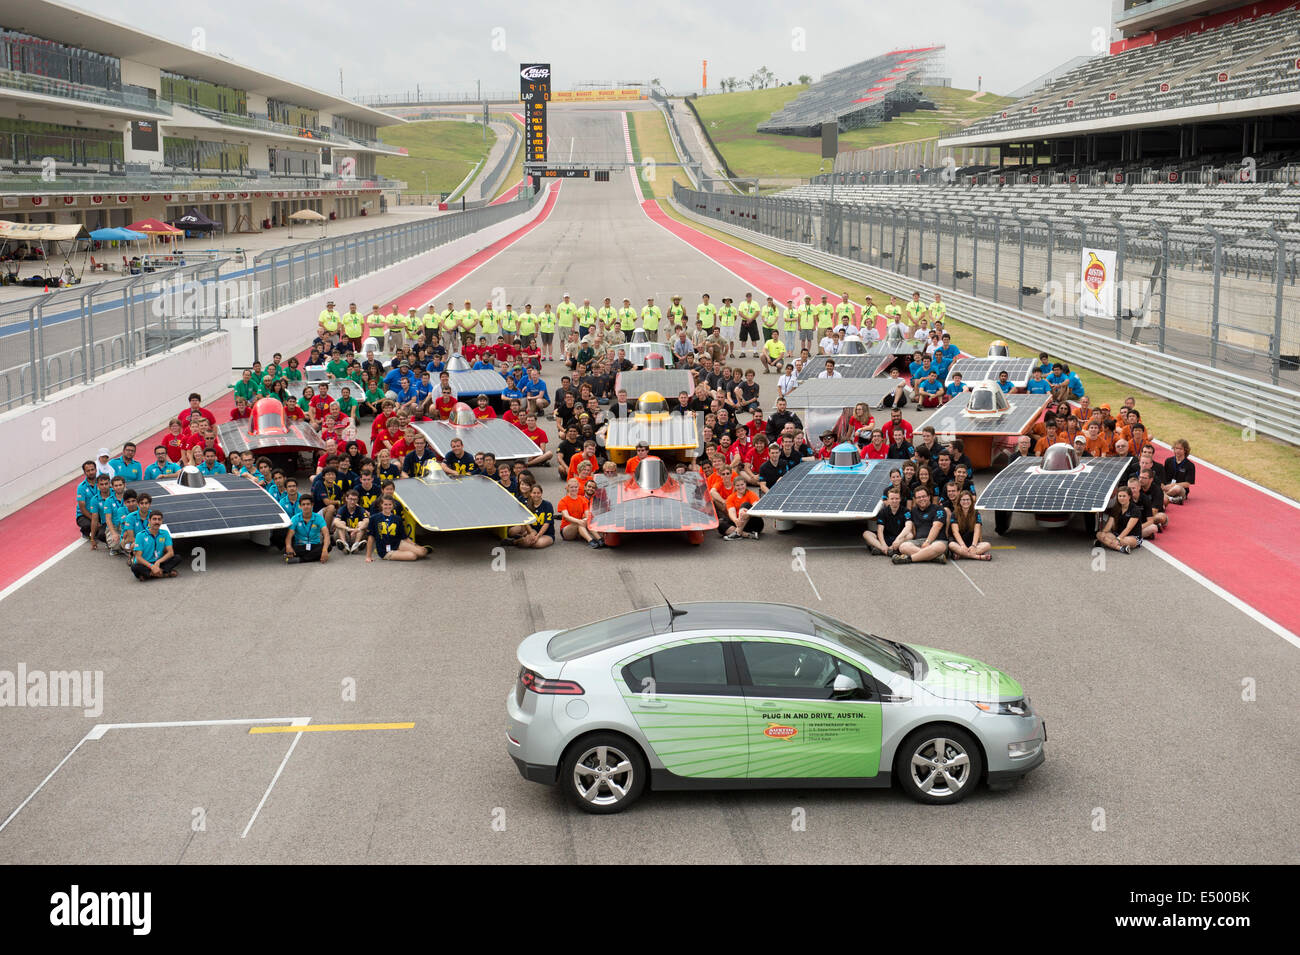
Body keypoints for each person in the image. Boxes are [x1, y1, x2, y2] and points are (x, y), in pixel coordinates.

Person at [894, 486, 948, 564]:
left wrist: (928, 542)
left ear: (929, 497)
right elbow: (909, 528)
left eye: (924, 496)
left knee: (939, 547)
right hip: (918, 542)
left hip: (937, 541)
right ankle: (934, 557)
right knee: (903, 546)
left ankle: (909, 559)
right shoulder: (913, 511)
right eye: (919, 497)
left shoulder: (939, 509)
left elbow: (937, 526)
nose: (921, 499)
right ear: (915, 499)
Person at [365, 497, 430, 561]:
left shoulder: (397, 518)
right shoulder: (374, 518)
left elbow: (404, 537)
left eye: (390, 504)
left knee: (422, 552)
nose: (388, 506)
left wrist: (416, 546)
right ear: (381, 505)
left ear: (393, 505)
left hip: (397, 544)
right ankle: (398, 554)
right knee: (412, 556)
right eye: (385, 504)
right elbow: (371, 537)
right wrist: (368, 556)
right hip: (385, 551)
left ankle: (409, 551)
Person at [130, 511, 180, 580]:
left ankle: (150, 575)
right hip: (145, 563)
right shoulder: (140, 535)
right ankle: (163, 573)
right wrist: (152, 566)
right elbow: (138, 558)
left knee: (177, 557)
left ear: (162, 521)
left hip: (158, 562)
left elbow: (170, 552)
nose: (157, 522)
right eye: (154, 519)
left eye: (159, 519)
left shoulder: (165, 533)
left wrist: (158, 562)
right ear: (149, 521)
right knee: (135, 567)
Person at [557, 477, 605, 548]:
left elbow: (587, 514)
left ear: (578, 488)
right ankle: (590, 540)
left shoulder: (582, 499)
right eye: (571, 487)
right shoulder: (563, 501)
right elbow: (566, 517)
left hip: (580, 526)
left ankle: (600, 539)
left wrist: (588, 519)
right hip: (567, 530)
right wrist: (579, 521)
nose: (574, 489)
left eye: (576, 487)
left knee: (587, 519)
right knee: (579, 523)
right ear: (567, 488)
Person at [865, 486, 910, 556]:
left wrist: (898, 539)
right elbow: (880, 530)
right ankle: (885, 550)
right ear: (888, 500)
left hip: (898, 539)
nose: (894, 501)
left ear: (900, 499)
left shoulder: (905, 511)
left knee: (910, 535)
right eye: (892, 499)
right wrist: (883, 544)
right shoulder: (883, 512)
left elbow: (908, 527)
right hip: (885, 538)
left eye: (896, 498)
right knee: (866, 534)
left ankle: (885, 549)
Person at [1096, 486, 1142, 553]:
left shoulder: (1135, 509)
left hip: (1132, 536)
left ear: (1129, 497)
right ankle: (1120, 548)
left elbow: (1128, 528)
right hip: (1117, 534)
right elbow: (1108, 527)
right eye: (1120, 496)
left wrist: (1118, 539)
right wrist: (1103, 534)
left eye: (1124, 496)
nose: (1121, 498)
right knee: (1099, 534)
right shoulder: (1116, 508)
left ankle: (1111, 544)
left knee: (1123, 541)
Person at [285, 494, 330, 563]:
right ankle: (315, 557)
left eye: (308, 504)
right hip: (300, 546)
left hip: (314, 545)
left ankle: (300, 560)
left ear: (312, 505)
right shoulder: (295, 518)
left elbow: (326, 534)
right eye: (303, 504)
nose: (306, 506)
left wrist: (324, 550)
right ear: (300, 506)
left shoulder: (318, 518)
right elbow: (289, 536)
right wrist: (288, 546)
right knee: (289, 549)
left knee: (328, 547)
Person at [947, 490, 991, 560]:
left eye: (968, 499)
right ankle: (977, 556)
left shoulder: (976, 513)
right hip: (958, 542)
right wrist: (962, 545)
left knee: (987, 545)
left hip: (971, 542)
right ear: (959, 501)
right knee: (951, 545)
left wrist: (973, 545)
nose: (966, 502)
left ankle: (961, 555)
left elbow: (977, 530)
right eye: (963, 500)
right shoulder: (954, 513)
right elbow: (955, 532)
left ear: (971, 501)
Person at [511, 483, 555, 549]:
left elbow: (547, 523)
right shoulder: (528, 505)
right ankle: (516, 541)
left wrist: (538, 536)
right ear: (530, 494)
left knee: (537, 544)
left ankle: (519, 540)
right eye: (534, 493)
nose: (536, 495)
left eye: (538, 493)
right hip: (533, 531)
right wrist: (531, 533)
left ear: (541, 493)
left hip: (547, 534)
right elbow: (526, 522)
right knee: (530, 541)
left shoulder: (547, 505)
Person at [332, 487, 370, 554]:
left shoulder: (360, 509)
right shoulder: (342, 509)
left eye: (355, 500)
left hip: (356, 535)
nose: (352, 502)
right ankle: (344, 545)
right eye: (350, 499)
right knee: (341, 523)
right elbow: (336, 521)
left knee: (362, 523)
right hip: (343, 535)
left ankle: (356, 545)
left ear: (357, 500)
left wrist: (358, 529)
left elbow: (367, 521)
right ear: (346, 499)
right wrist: (348, 529)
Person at [1163, 438, 1195, 504]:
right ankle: (1172, 499)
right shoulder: (1168, 461)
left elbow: (1187, 484)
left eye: (1180, 449)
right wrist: (1163, 486)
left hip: (1180, 489)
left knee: (1177, 488)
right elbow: (1163, 477)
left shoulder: (1190, 465)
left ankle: (1163, 497)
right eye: (1176, 448)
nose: (1177, 451)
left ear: (1185, 450)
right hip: (1167, 487)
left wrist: (1172, 485)